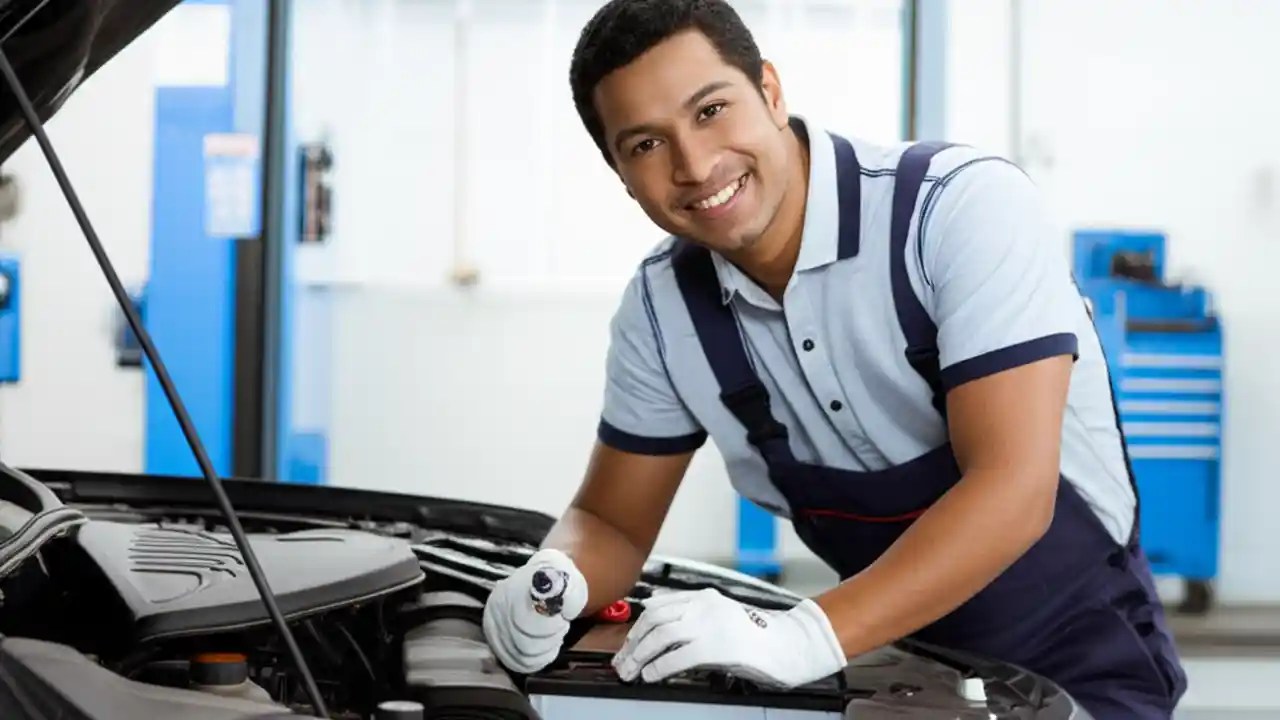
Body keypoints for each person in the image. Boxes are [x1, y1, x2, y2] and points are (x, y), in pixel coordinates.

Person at [480, 0, 1188, 717]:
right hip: (902, 674)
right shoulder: (663, 310)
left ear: (771, 91)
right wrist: (552, 577)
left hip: (1081, 668)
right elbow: (613, 524)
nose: (694, 165)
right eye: (645, 145)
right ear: (620, 174)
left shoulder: (957, 210)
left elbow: (1012, 490)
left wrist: (802, 636)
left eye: (710, 110)